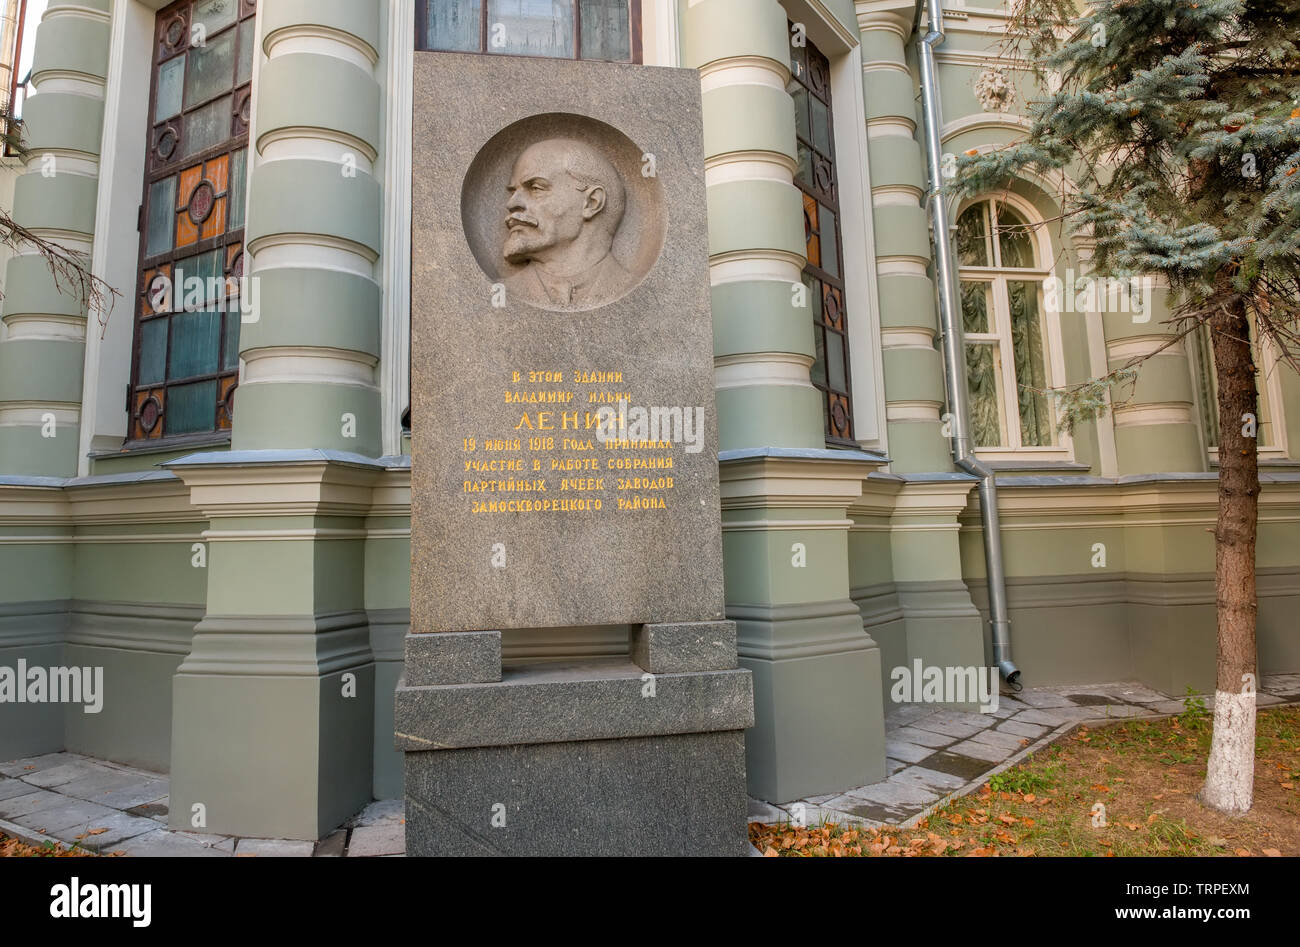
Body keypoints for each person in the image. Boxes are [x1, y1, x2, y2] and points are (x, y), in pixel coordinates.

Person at [501, 138, 634, 309]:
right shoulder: (502, 292)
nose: (512, 204)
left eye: (536, 188)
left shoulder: (639, 294)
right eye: (513, 192)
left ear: (592, 202)